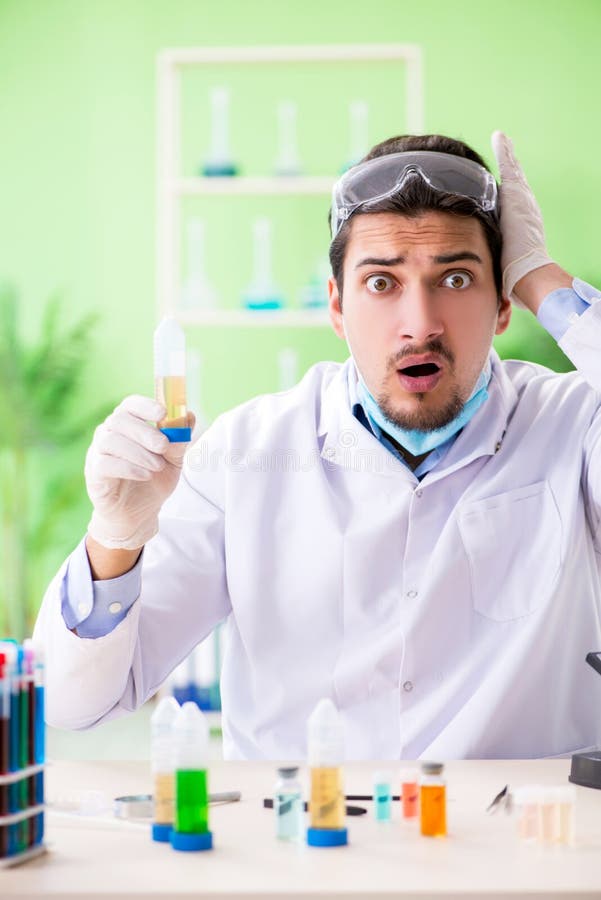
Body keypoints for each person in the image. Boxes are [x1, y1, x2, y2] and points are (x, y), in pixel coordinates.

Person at [34, 131, 601, 760]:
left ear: (503, 305)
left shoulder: (575, 427)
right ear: (336, 306)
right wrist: (116, 534)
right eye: (382, 284)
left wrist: (542, 279)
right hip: (299, 841)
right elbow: (69, 703)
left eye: (457, 278)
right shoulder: (245, 453)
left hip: (519, 844)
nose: (420, 324)